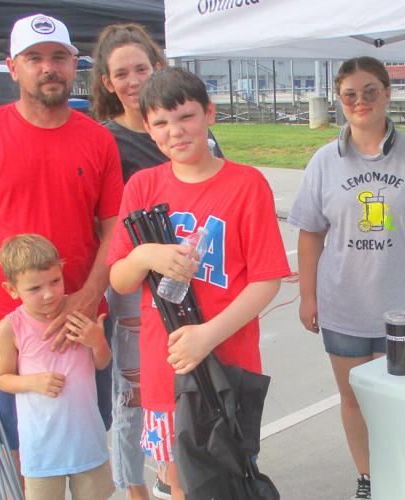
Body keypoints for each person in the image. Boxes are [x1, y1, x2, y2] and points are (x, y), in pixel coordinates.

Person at [0, 12, 123, 471]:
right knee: (25, 454)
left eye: (59, 57)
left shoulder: (98, 140)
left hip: (81, 326)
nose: (49, 68)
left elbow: (114, 228)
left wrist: (88, 295)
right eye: (35, 58)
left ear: (73, 63)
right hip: (8, 328)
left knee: (87, 445)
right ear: (12, 66)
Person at [106, 67, 290, 500]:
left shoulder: (246, 185)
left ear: (209, 114)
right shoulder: (142, 186)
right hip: (164, 363)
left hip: (228, 362)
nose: (176, 131)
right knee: (178, 479)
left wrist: (207, 335)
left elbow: (267, 280)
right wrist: (144, 255)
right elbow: (119, 278)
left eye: (185, 116)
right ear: (148, 130)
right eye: (161, 123)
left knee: (228, 473)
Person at [288, 56, 405, 500]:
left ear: (387, 93)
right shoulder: (325, 161)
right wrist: (307, 297)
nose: (360, 101)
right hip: (343, 307)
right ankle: (369, 476)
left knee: (402, 402)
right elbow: (310, 232)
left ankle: (404, 476)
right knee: (354, 399)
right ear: (340, 101)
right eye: (350, 94)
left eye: (370, 91)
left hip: (404, 311)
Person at [91, 23, 219, 500]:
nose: (132, 80)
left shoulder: (188, 128)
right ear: (106, 82)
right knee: (136, 395)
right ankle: (138, 488)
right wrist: (141, 256)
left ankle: (185, 477)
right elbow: (109, 228)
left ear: (157, 67)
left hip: (198, 290)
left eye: (140, 68)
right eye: (120, 73)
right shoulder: (106, 139)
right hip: (140, 293)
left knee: (196, 397)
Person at [0, 234, 114, 500]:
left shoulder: (81, 313)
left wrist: (97, 342)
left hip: (86, 439)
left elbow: (102, 363)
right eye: (34, 289)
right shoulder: (10, 327)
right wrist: (32, 382)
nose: (49, 294)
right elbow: (2, 378)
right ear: (11, 289)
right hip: (42, 448)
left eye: (55, 281)